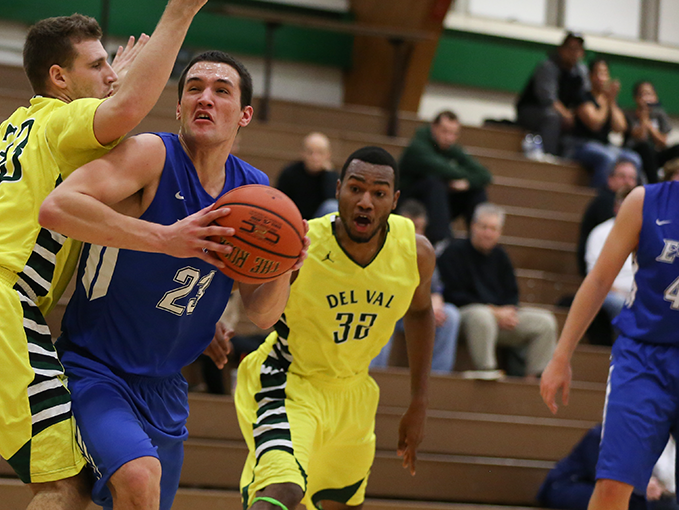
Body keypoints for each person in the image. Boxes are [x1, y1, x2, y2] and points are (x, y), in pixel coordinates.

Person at [0, 3, 208, 510]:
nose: (111, 74)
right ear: (59, 77)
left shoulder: (17, 125)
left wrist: (111, 81)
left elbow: (109, 108)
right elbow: (126, 113)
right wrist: (177, 15)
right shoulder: (64, 123)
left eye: (112, 64)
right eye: (98, 65)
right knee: (67, 484)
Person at [40, 50, 305, 510]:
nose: (206, 99)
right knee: (139, 479)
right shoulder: (151, 154)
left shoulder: (253, 193)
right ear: (178, 106)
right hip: (96, 369)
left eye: (221, 91)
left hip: (166, 385)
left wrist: (283, 267)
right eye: (194, 89)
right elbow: (57, 207)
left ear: (244, 115)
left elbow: (263, 315)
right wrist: (166, 238)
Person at [226, 146, 435, 510]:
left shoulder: (415, 252)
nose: (365, 201)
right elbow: (233, 282)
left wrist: (418, 400)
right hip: (290, 382)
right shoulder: (300, 243)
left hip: (354, 394)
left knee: (341, 504)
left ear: (395, 200)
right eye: (355, 188)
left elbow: (419, 313)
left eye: (379, 193)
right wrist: (207, 323)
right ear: (338, 190)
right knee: (283, 492)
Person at [541, 178, 679, 510]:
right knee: (614, 485)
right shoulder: (645, 201)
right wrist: (561, 356)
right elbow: (600, 279)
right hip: (644, 358)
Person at [439, 203, 557, 378]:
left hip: (499, 320)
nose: (488, 233)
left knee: (545, 321)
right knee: (481, 316)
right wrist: (493, 311)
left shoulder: (501, 256)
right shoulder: (454, 252)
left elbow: (512, 293)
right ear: (473, 226)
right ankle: (487, 371)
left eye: (493, 229)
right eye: (484, 227)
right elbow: (452, 294)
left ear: (499, 232)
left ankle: (534, 378)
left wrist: (508, 311)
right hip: (466, 316)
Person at [371, 199, 459, 373]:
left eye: (419, 228)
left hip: (412, 310)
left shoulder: (424, 252)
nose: (415, 233)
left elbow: (435, 288)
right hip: (385, 306)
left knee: (450, 315)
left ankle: (437, 377)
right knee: (378, 313)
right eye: (410, 227)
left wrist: (436, 303)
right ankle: (374, 374)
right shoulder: (380, 248)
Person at [398, 110, 491, 245]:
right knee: (434, 184)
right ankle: (442, 242)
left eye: (454, 133)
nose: (449, 138)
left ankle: (478, 240)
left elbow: (485, 174)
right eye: (445, 131)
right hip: (407, 204)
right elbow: (444, 170)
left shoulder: (450, 148)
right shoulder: (417, 147)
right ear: (433, 128)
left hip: (435, 205)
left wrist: (468, 183)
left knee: (476, 191)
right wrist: (466, 177)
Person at [565, 59, 642, 189]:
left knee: (634, 158)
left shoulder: (609, 100)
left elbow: (620, 128)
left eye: (605, 73)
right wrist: (607, 101)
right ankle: (600, 199)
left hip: (604, 145)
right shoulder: (583, 96)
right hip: (580, 145)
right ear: (590, 76)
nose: (602, 78)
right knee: (608, 158)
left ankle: (630, 199)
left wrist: (611, 102)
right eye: (598, 73)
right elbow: (595, 123)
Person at [537, 424, 649, 510]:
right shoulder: (600, 435)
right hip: (563, 486)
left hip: (588, 485)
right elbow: (603, 474)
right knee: (621, 498)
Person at [516, 32, 590, 157]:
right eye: (571, 48)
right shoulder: (548, 66)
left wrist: (575, 114)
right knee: (552, 117)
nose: (574, 53)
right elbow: (548, 99)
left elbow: (586, 97)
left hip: (564, 113)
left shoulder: (581, 71)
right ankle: (549, 157)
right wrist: (566, 114)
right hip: (533, 111)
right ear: (561, 49)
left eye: (578, 49)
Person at [577, 160, 639, 277]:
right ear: (610, 179)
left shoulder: (638, 205)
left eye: (632, 178)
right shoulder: (603, 202)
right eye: (622, 176)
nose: (627, 182)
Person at [585, 186, 636, 322]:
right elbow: (596, 276)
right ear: (616, 207)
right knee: (622, 304)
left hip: (639, 293)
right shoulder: (601, 232)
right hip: (610, 293)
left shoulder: (649, 234)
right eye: (625, 205)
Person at [275, 132, 339, 220]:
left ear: (328, 155)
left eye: (320, 153)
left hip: (317, 223)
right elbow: (279, 201)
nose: (315, 157)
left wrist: (329, 175)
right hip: (294, 220)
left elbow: (332, 201)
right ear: (302, 153)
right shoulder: (290, 173)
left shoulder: (331, 175)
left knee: (332, 207)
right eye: (310, 152)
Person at [626, 81, 679, 184]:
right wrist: (643, 117)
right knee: (646, 147)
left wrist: (649, 125)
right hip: (637, 152)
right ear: (636, 98)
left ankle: (672, 181)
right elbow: (639, 137)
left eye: (650, 94)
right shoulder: (630, 115)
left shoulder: (659, 114)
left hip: (655, 154)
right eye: (643, 94)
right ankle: (654, 185)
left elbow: (663, 142)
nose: (647, 98)